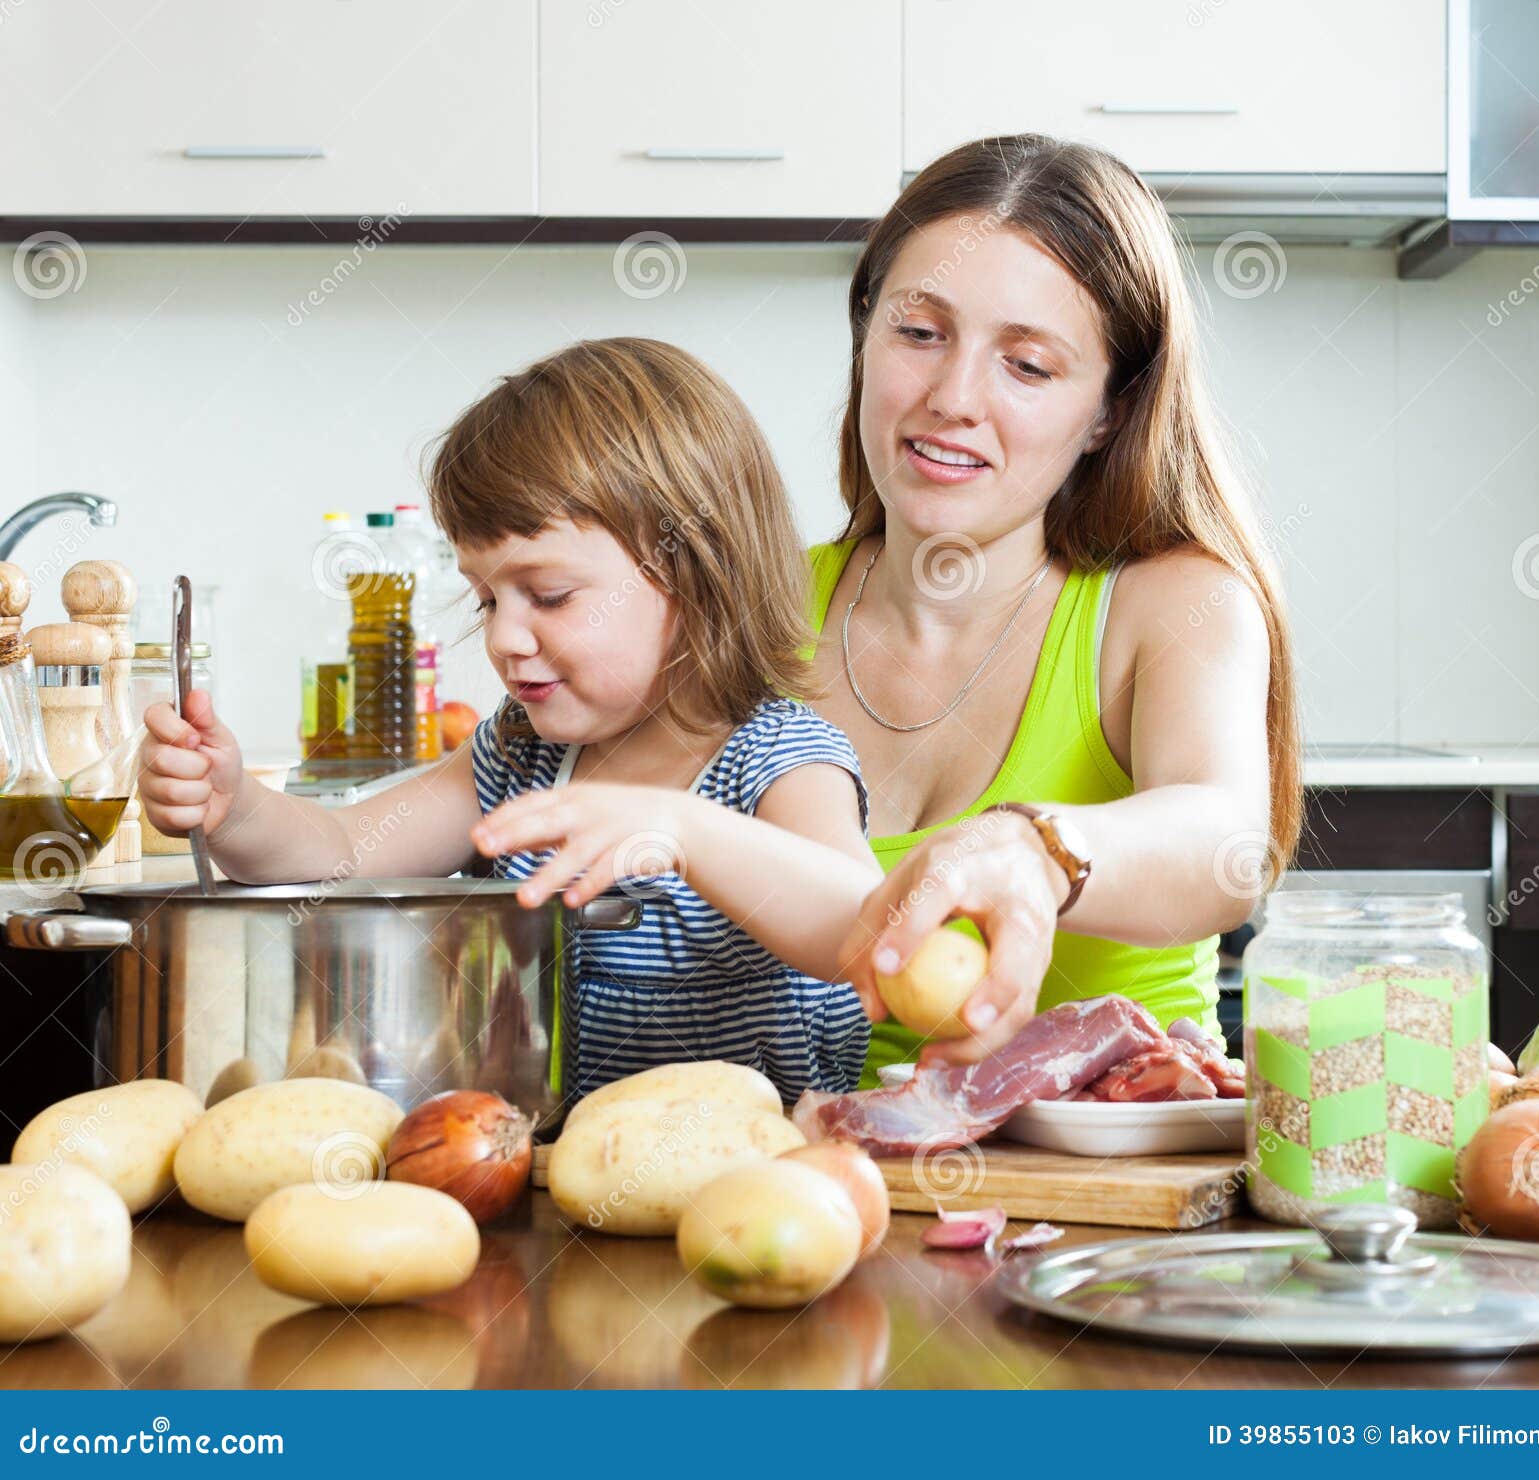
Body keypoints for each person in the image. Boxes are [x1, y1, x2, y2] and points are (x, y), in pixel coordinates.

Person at [139, 338, 882, 1102]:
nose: (502, 638)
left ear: (697, 572)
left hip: (743, 1186)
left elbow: (862, 931)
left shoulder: (780, 759)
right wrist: (236, 809)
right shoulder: (519, 755)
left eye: (550, 595)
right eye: (487, 598)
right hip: (535, 1177)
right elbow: (344, 852)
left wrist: (680, 828)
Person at [805, 136, 1304, 1083]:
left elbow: (1225, 841)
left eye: (1027, 366)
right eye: (919, 333)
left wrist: (1036, 846)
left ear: (1109, 411)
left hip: (1095, 1199)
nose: (953, 398)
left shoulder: (1174, 605)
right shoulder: (746, 604)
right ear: (864, 334)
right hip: (798, 1186)